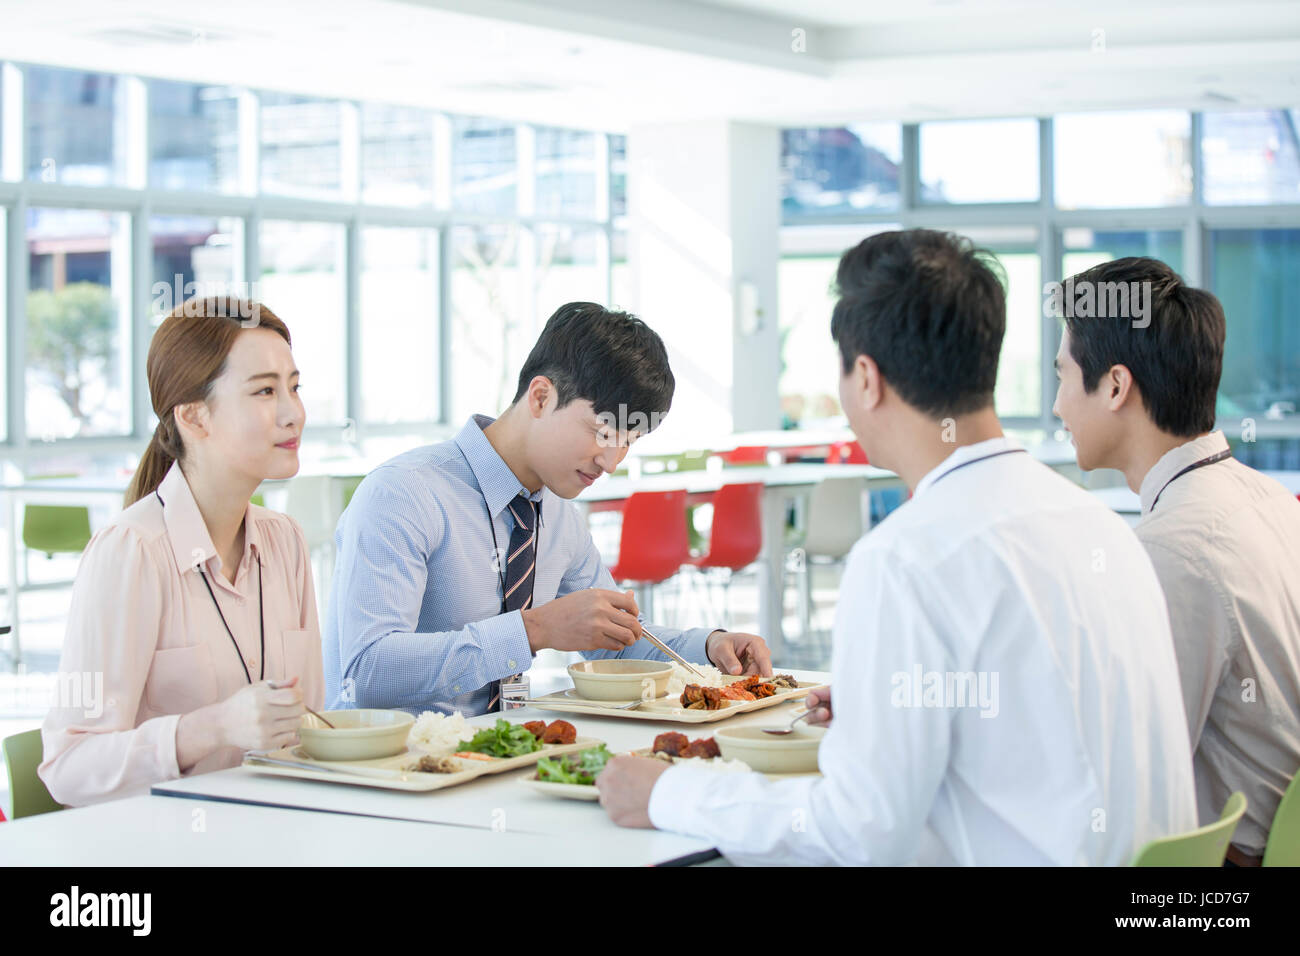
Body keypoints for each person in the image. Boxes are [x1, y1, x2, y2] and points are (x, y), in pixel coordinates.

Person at [597, 230, 1196, 865]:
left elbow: (859, 834)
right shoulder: (1100, 527)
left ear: (865, 377)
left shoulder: (907, 557)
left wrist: (674, 794)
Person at [323, 302, 771, 715]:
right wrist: (534, 630)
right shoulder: (404, 494)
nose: (612, 462)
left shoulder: (557, 517)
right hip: (392, 773)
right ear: (540, 397)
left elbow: (614, 643)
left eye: (627, 443)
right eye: (602, 431)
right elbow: (366, 672)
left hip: (502, 757)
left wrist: (711, 646)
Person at [1052, 256, 1300, 866]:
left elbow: (1125, 780)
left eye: (1062, 376)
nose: (1057, 405)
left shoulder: (1173, 552)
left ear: (1115, 386)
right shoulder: (1269, 498)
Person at [39, 297, 322, 807]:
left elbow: (311, 729)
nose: (292, 413)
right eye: (264, 391)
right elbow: (68, 767)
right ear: (194, 415)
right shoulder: (130, 553)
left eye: (294, 387)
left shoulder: (286, 542)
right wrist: (210, 728)